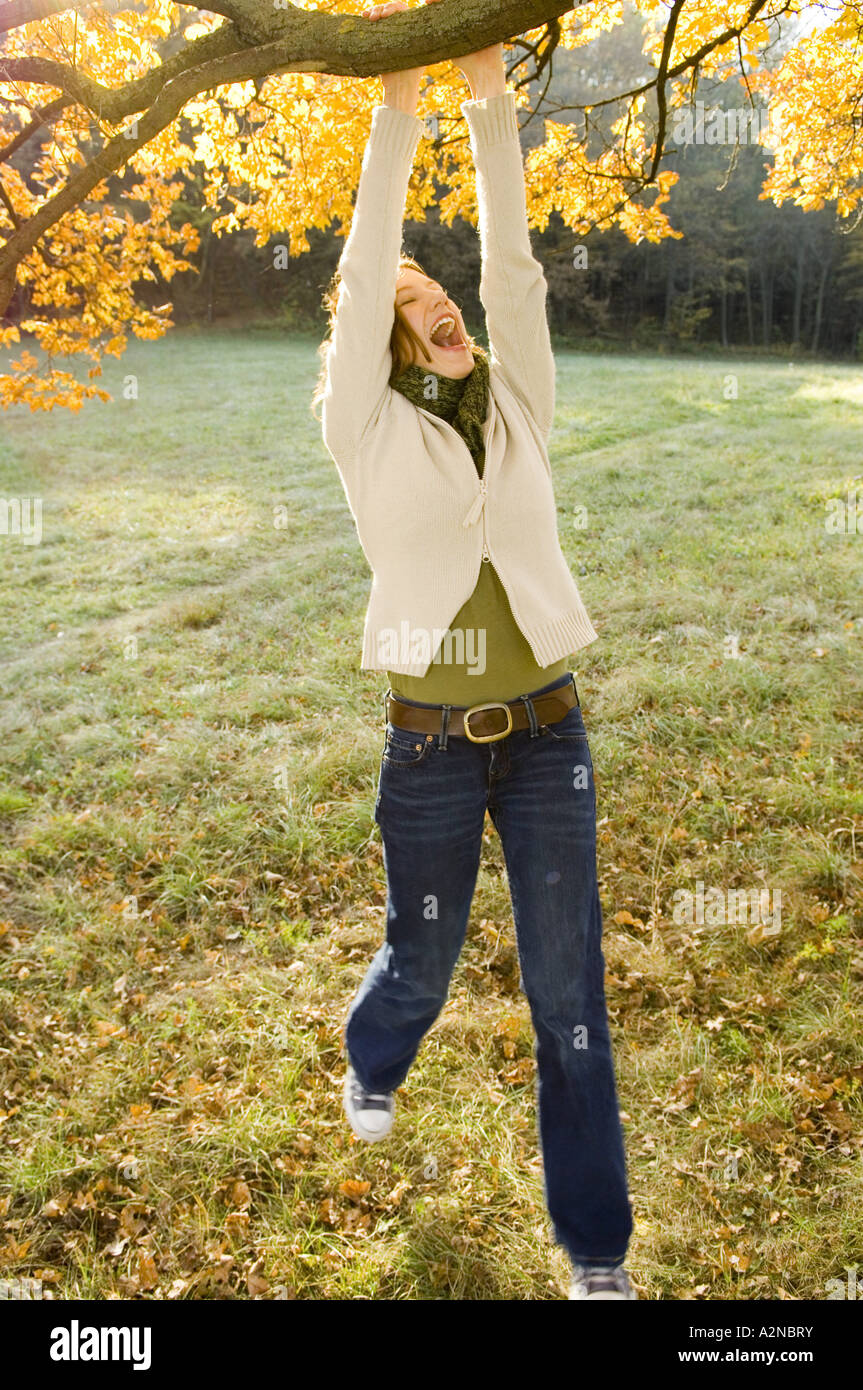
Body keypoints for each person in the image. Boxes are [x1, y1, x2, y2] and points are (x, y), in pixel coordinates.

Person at [312, 0, 636, 1301]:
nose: (437, 300)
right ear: (382, 341)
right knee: (424, 962)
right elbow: (363, 278)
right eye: (413, 302)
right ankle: (373, 1053)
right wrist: (399, 111)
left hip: (550, 737)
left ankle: (596, 1251)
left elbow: (515, 274)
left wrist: (490, 103)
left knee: (569, 995)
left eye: (437, 290)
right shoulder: (363, 425)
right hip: (431, 750)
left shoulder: (517, 398)